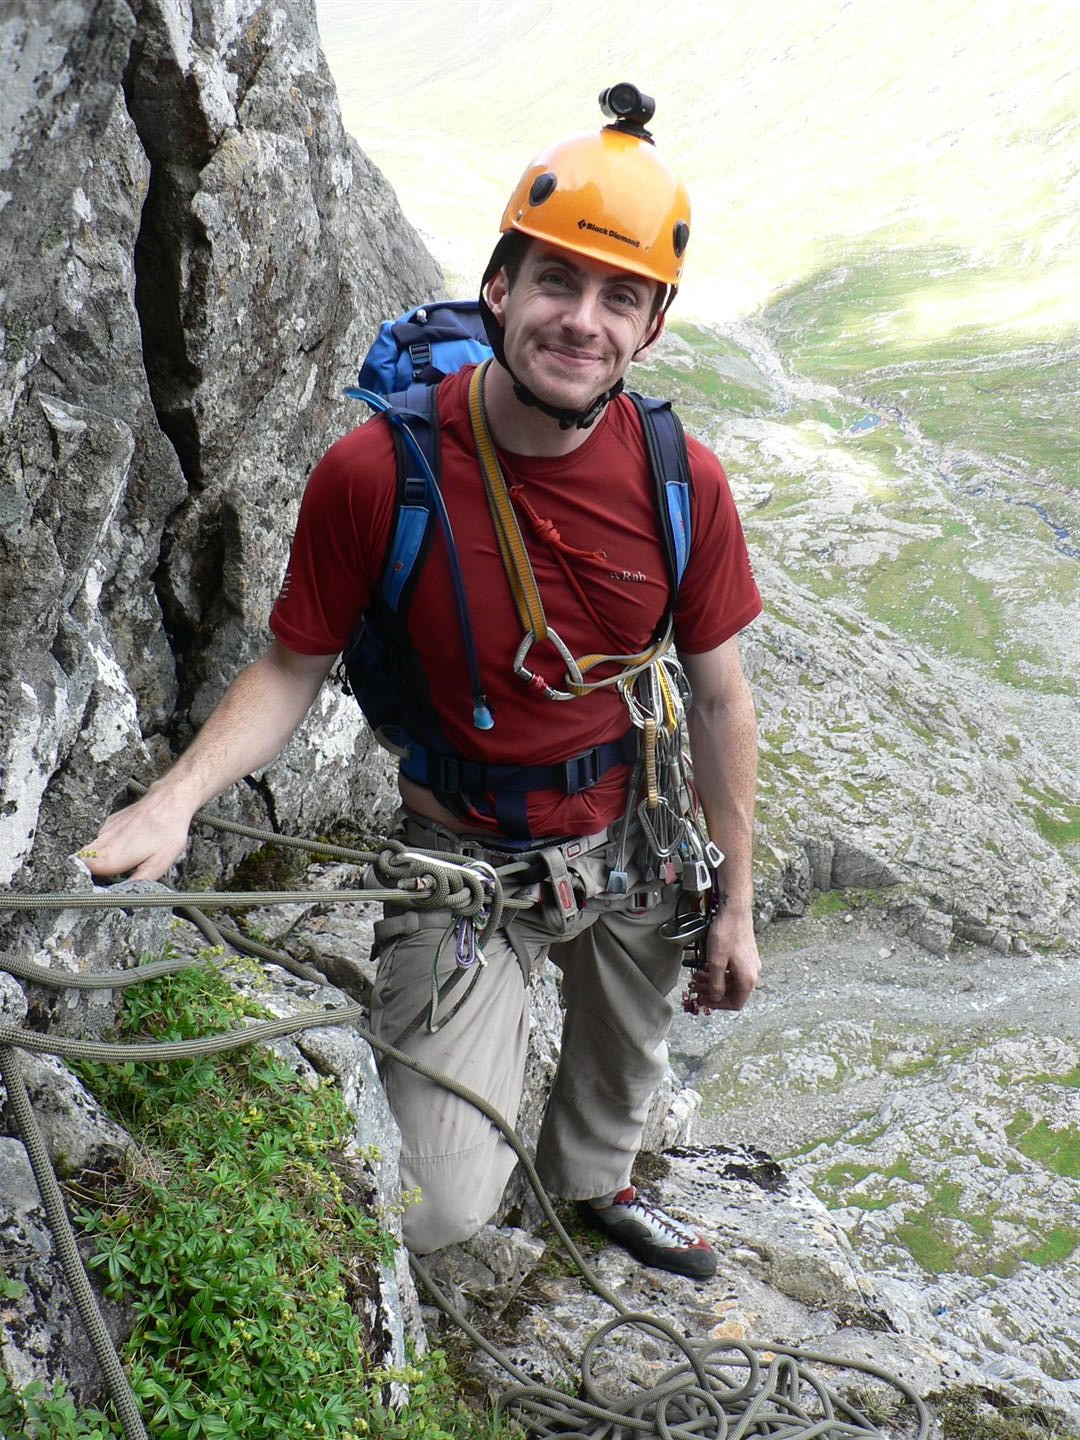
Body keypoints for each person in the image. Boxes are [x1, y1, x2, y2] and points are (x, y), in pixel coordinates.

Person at [83, 85, 762, 1281]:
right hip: (468, 864)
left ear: (651, 328)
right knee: (436, 1209)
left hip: (628, 835)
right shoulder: (376, 473)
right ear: (498, 289)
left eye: (620, 298)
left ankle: (596, 1181)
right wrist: (176, 798)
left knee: (626, 1064)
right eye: (555, 281)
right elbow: (293, 663)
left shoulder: (678, 481)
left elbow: (718, 700)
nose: (581, 321)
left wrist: (740, 903)